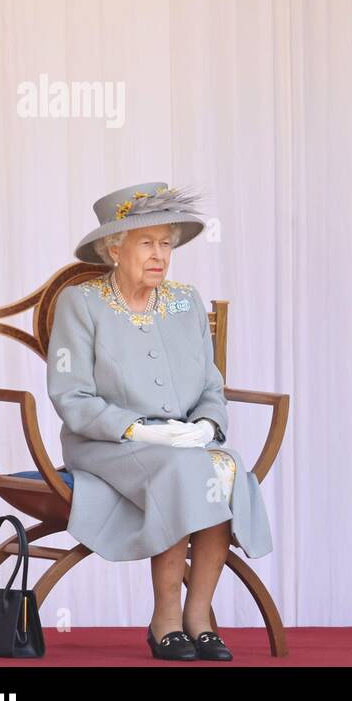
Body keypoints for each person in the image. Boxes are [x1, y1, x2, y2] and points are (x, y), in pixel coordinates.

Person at [46, 181, 273, 661]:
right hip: (104, 442)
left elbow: (212, 385)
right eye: (146, 242)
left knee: (223, 464)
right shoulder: (80, 303)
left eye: (166, 243)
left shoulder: (187, 301)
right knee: (185, 470)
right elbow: (71, 396)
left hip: (184, 443)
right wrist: (138, 429)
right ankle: (165, 618)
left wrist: (208, 427)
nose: (160, 255)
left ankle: (199, 617)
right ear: (114, 247)